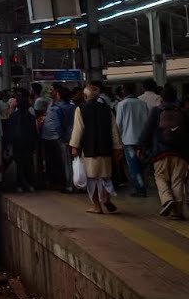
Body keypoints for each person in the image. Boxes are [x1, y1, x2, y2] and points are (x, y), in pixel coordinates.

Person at [142, 86, 189, 220]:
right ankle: (177, 212)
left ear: (161, 97)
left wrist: (143, 147)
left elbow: (147, 131)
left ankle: (167, 199)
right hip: (180, 153)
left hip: (160, 152)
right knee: (177, 181)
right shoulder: (182, 113)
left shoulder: (156, 111)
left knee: (160, 177)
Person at [71, 84, 123, 214]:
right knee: (106, 176)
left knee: (91, 179)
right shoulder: (106, 109)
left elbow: (78, 129)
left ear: (85, 96)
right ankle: (106, 199)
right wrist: (117, 147)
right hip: (106, 148)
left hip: (89, 149)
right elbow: (114, 129)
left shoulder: (80, 109)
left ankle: (96, 206)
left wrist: (74, 146)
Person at [116, 85, 150, 197]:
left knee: (133, 166)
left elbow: (118, 125)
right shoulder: (143, 104)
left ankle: (140, 189)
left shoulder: (122, 104)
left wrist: (118, 141)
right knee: (142, 164)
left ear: (125, 91)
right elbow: (147, 122)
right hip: (142, 140)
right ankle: (143, 185)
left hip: (128, 140)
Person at [5, 91, 38, 192]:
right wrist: (34, 144)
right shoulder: (31, 117)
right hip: (28, 143)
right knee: (28, 164)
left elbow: (9, 130)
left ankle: (20, 185)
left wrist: (8, 144)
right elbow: (34, 131)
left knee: (19, 164)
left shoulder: (13, 116)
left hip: (17, 144)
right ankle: (30, 184)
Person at [39, 88, 66, 191]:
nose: (50, 92)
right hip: (47, 137)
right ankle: (52, 181)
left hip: (57, 137)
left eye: (52, 90)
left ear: (58, 93)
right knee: (49, 160)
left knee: (59, 161)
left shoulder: (61, 105)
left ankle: (61, 182)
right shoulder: (50, 103)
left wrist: (60, 135)